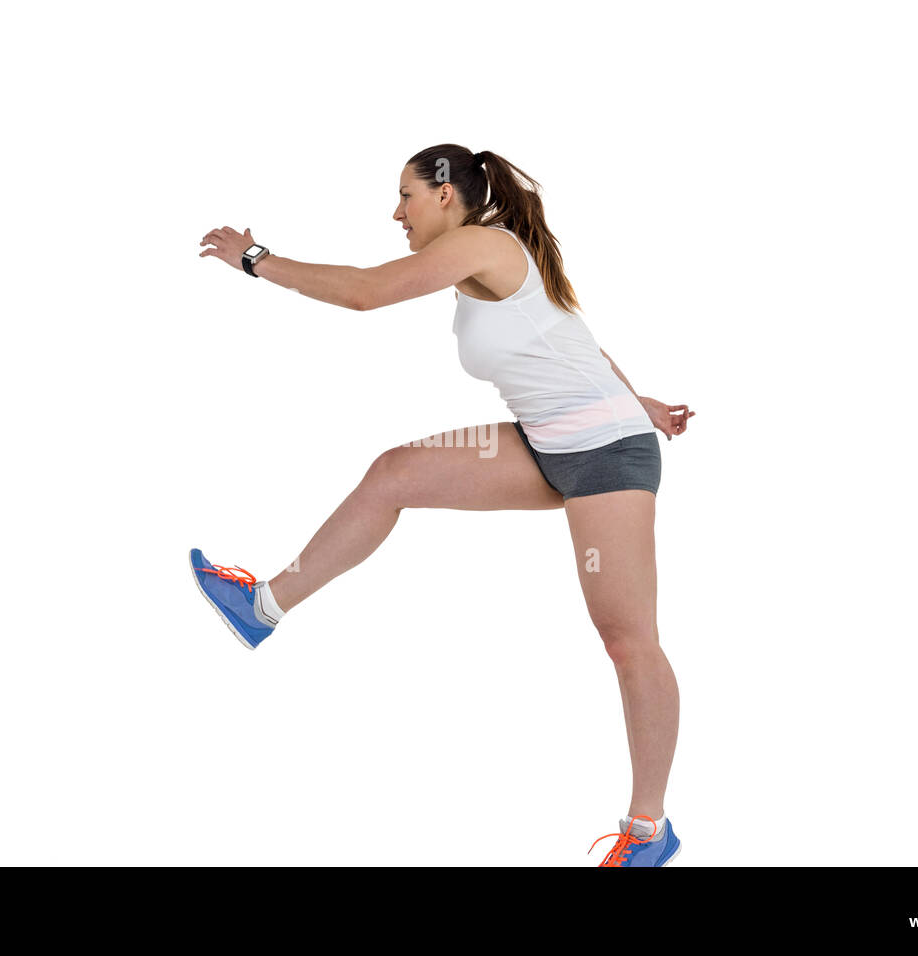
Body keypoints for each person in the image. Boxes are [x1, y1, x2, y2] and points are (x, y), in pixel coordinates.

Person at [190, 144, 696, 867]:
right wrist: (642, 396)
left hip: (607, 454)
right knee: (395, 473)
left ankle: (650, 830)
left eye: (405, 196)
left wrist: (254, 258)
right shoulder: (482, 259)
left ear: (445, 192)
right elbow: (570, 335)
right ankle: (261, 607)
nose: (395, 212)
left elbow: (366, 292)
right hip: (546, 442)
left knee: (627, 638)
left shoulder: (480, 242)